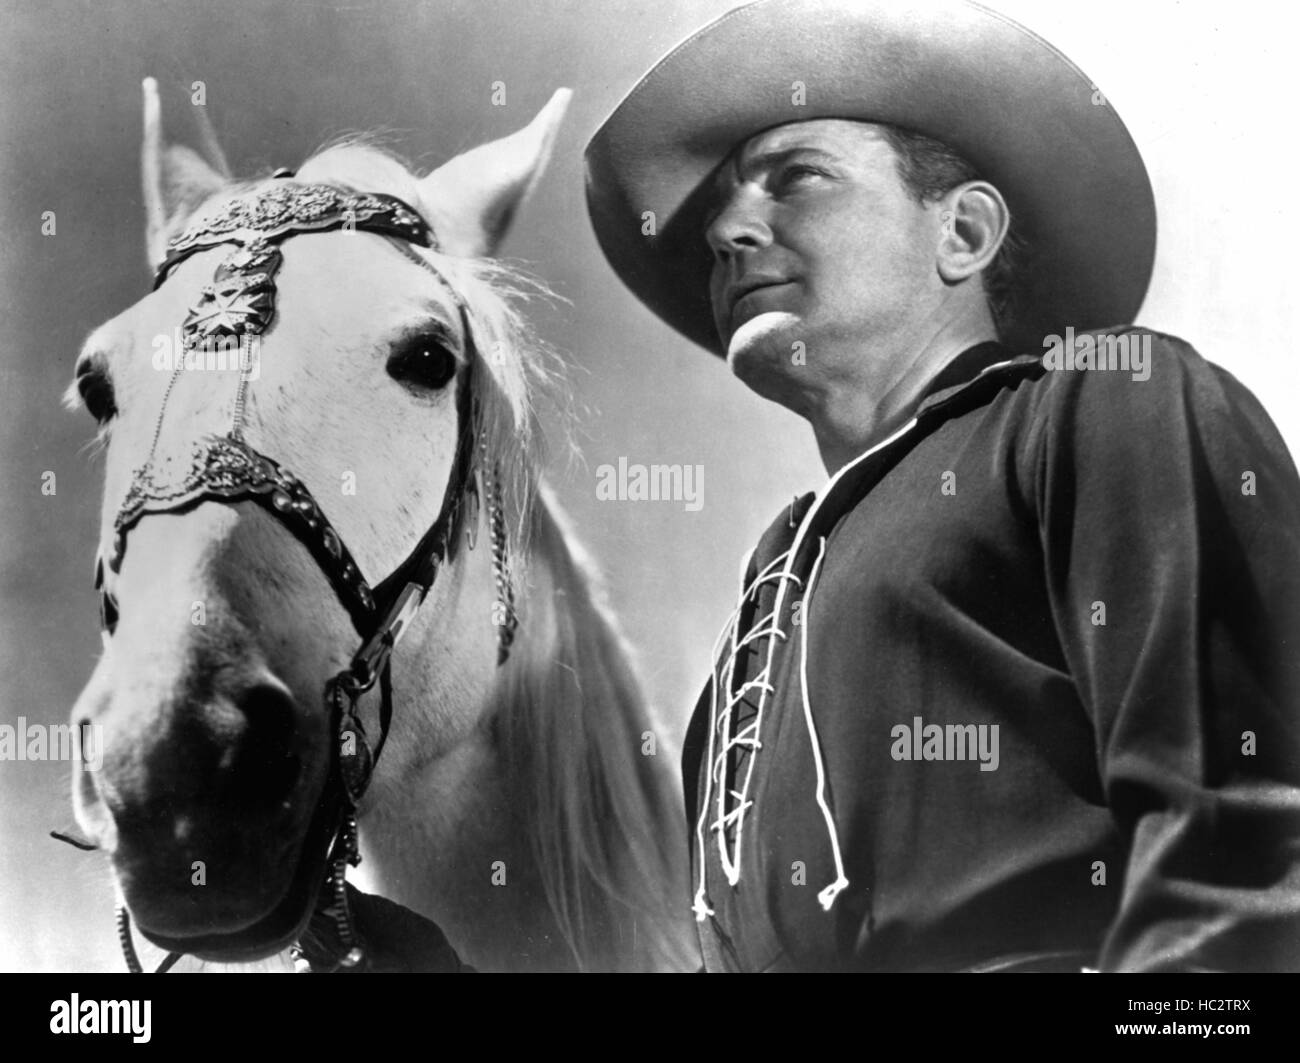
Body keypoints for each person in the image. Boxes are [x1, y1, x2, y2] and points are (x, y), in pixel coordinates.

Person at [585, 0, 1300, 971]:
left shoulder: (1103, 408)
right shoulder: (762, 606)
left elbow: (1242, 847)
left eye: (794, 177)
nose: (726, 228)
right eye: (720, 207)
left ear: (962, 231)